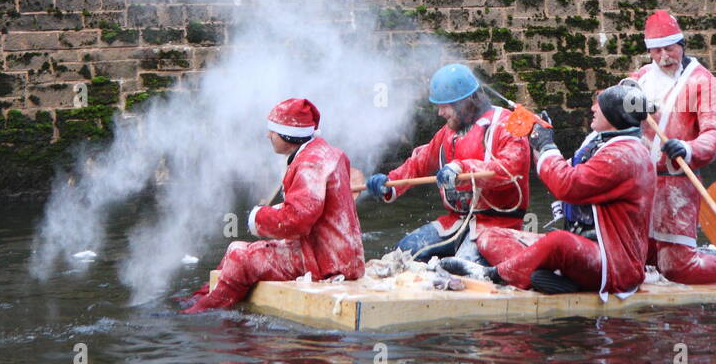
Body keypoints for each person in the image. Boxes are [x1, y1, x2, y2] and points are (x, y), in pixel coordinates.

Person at [465, 82, 657, 299]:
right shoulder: (607, 146)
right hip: (585, 248)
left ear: (614, 115)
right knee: (491, 236)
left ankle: (497, 274)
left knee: (557, 242)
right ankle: (542, 274)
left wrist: (548, 146)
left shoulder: (624, 155)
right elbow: (557, 171)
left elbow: (567, 185)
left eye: (599, 105)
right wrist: (539, 139)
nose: (593, 109)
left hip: (614, 263)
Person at [182, 98, 365, 312]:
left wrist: (258, 217)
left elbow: (297, 221)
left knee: (239, 257)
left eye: (273, 131)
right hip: (338, 254)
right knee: (235, 247)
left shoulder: (310, 164)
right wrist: (274, 211)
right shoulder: (328, 153)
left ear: (288, 136)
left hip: (327, 263)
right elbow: (313, 209)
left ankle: (202, 311)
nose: (268, 135)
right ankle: (203, 295)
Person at [629, 9, 716, 285]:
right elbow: (616, 109)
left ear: (681, 45)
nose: (663, 57)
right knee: (642, 257)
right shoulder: (641, 77)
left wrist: (689, 149)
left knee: (677, 267)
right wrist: (623, 93)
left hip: (678, 183)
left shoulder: (704, 82)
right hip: (640, 184)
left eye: (668, 49)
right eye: (656, 52)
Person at [363, 63, 531, 261]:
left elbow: (512, 169)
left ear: (466, 102)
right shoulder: (447, 132)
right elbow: (419, 163)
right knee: (401, 254)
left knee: (461, 267)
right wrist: (389, 184)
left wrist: (462, 168)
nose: (440, 113)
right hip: (456, 222)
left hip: (497, 226)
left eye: (445, 106)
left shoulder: (506, 125)